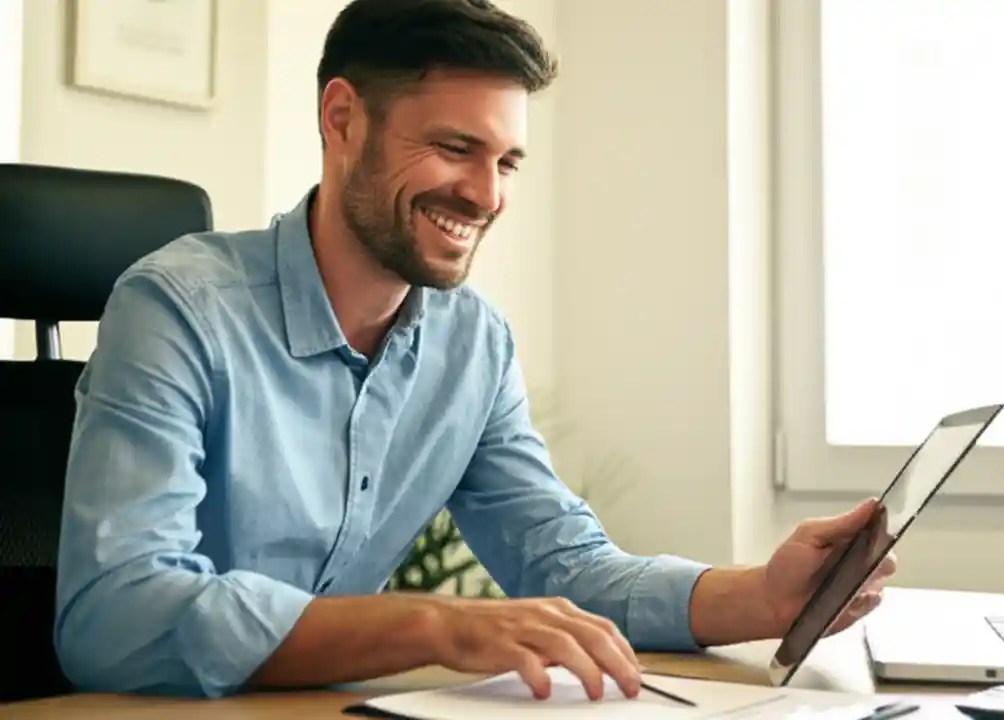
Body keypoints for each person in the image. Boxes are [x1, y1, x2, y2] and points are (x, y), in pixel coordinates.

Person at [54, 0, 897, 701]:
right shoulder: (177, 307)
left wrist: (763, 596)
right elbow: (116, 618)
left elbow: (565, 564)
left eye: (507, 161)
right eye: (455, 149)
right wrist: (438, 624)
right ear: (342, 119)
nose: (487, 196)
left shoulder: (472, 345)